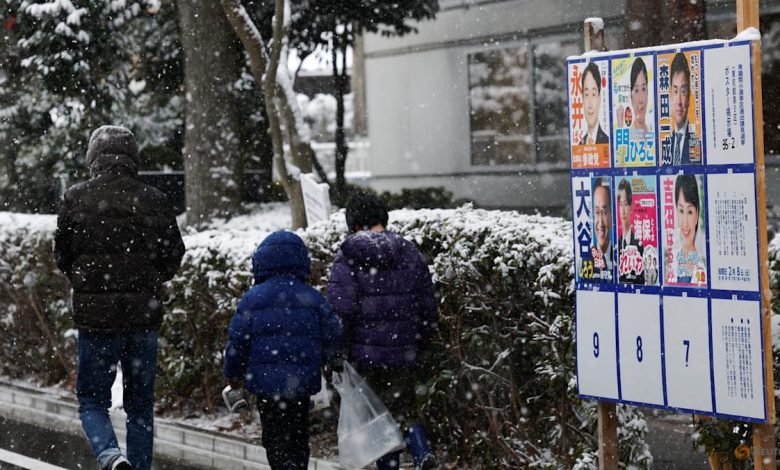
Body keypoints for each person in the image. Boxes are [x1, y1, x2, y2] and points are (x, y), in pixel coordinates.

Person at [54, 125, 185, 470]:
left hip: (96, 320)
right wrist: (150, 280)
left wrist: (86, 282)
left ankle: (111, 457)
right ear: (133, 158)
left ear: (93, 157)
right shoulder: (154, 199)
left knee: (91, 401)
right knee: (140, 406)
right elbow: (174, 255)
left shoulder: (75, 198)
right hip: (143, 319)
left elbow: (63, 255)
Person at [327, 192, 438, 470]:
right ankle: (422, 450)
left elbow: (342, 309)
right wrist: (422, 341)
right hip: (404, 349)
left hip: (365, 354)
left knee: (377, 418)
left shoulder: (348, 255)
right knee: (404, 408)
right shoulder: (408, 251)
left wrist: (337, 350)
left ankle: (389, 467)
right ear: (382, 219)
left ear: (353, 224)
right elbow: (426, 303)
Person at [223, 231, 342, 470]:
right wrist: (333, 364)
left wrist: (232, 376)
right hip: (300, 384)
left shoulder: (252, 299)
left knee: (274, 436)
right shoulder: (312, 297)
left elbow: (237, 342)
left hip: (266, 385)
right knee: (298, 435)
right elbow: (332, 334)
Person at [667, 175, 706, 285]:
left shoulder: (704, 264)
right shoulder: (670, 260)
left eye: (689, 212)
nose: (685, 222)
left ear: (697, 214)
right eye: (681, 211)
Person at [670, 52, 698, 165]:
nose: (679, 101)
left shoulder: (696, 143)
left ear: (689, 96)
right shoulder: (665, 143)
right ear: (670, 94)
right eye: (676, 91)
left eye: (683, 92)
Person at [617, 178, 644, 284]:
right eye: (620, 204)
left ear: (631, 207)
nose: (623, 210)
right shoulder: (617, 243)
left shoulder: (639, 243)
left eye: (626, 204)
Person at [580, 62, 609, 145]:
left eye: (593, 94)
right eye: (586, 95)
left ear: (599, 99)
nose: (590, 105)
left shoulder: (607, 142)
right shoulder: (580, 145)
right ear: (582, 99)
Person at [591, 178, 613, 281]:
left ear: (611, 214)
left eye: (604, 212)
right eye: (596, 212)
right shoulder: (586, 260)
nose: (600, 223)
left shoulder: (622, 256)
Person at [629, 57, 651, 136]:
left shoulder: (651, 130)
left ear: (648, 93)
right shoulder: (629, 137)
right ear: (631, 97)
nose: (641, 99)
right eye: (636, 90)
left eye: (644, 89)